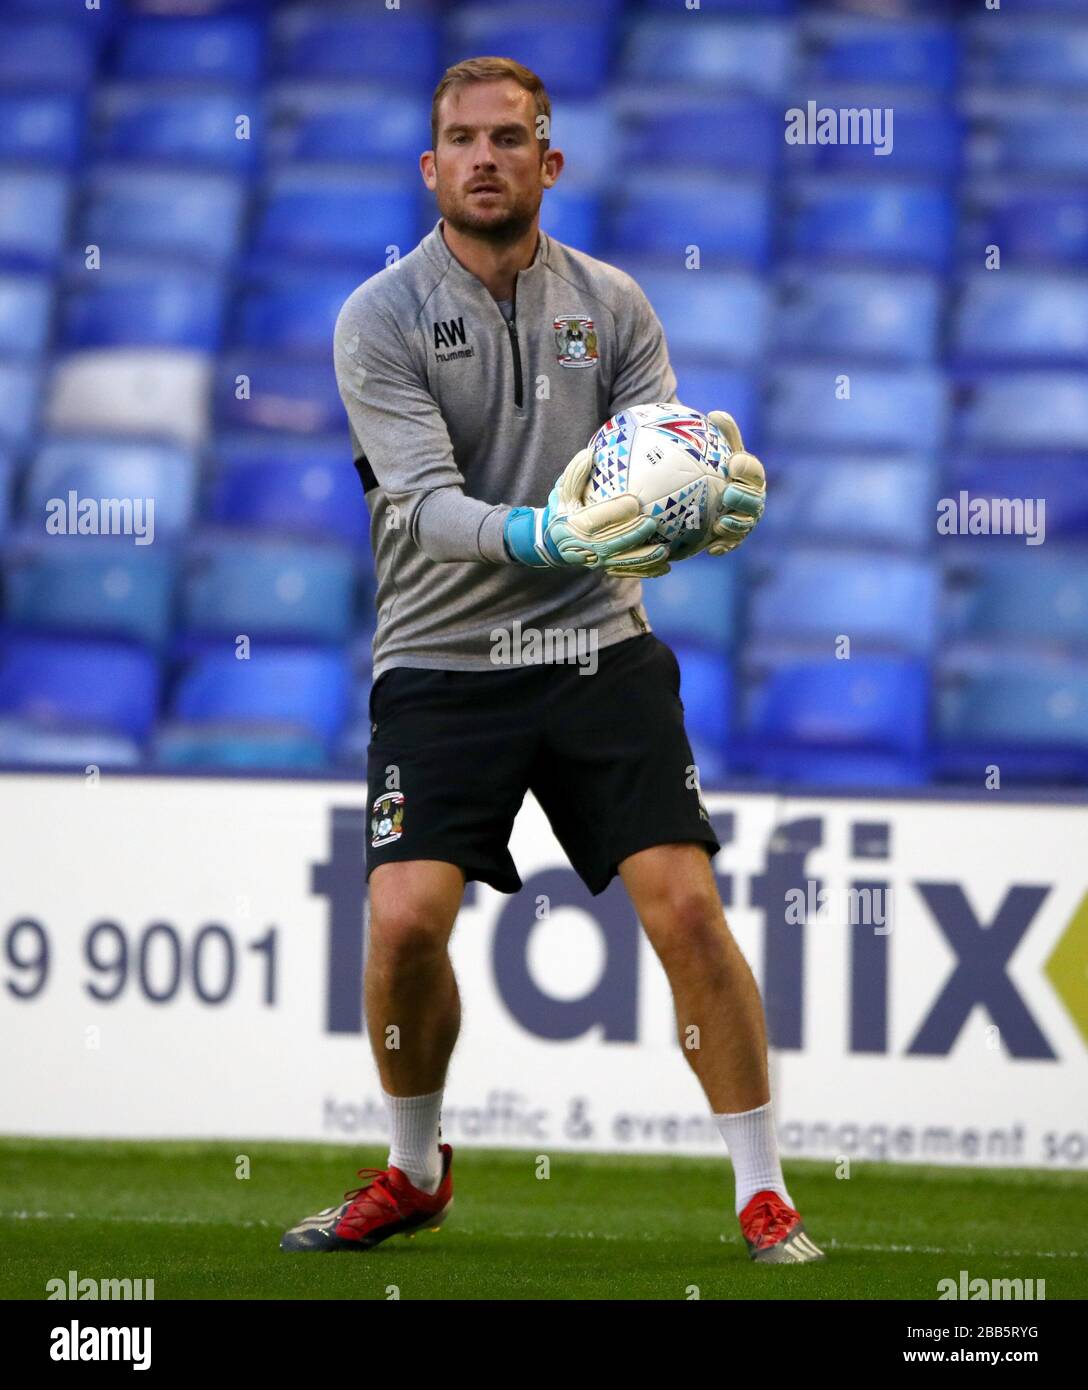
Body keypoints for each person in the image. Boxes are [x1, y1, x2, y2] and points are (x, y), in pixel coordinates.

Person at [281, 56, 823, 1266]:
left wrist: (689, 509)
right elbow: (421, 506)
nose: (484, 157)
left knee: (685, 905)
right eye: (461, 140)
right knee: (404, 920)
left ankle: (761, 1192)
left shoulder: (617, 304)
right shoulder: (375, 320)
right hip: (438, 654)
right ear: (430, 166)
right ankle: (415, 1171)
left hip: (598, 648)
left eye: (509, 138)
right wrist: (543, 530)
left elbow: (660, 462)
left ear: (548, 160)